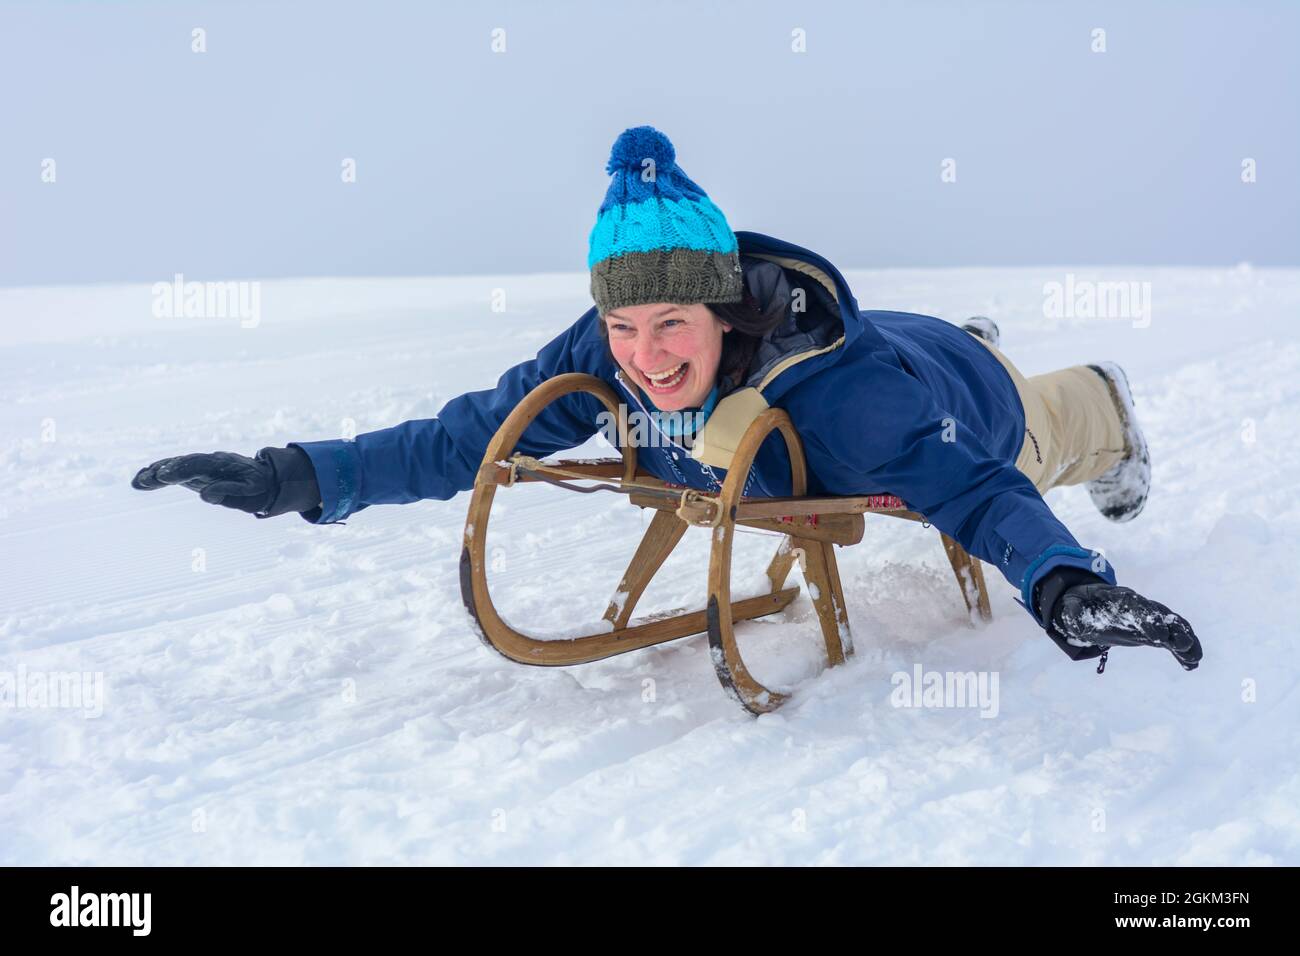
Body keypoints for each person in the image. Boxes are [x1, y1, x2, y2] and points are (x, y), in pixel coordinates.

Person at [132, 125, 1202, 672]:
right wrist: (299, 475)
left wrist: (1062, 582)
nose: (643, 358)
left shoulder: (842, 399)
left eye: (669, 327)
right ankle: (977, 341)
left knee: (1036, 428)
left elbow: (969, 490)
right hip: (889, 370)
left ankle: (1094, 396)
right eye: (624, 329)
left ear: (721, 310)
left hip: (955, 399)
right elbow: (471, 433)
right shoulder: (606, 348)